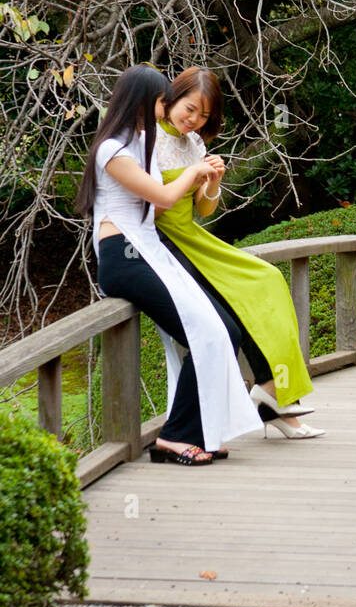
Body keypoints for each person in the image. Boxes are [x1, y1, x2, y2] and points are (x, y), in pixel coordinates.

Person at [76, 65, 261, 464]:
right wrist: (194, 170)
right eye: (162, 101)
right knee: (201, 333)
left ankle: (200, 430)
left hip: (150, 252)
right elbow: (160, 198)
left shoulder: (143, 142)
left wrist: (206, 177)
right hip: (123, 257)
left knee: (225, 331)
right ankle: (174, 437)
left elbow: (186, 199)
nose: (166, 110)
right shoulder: (112, 149)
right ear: (140, 101)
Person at [154, 68, 323, 439]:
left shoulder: (194, 143)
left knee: (268, 279)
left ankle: (277, 390)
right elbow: (150, 207)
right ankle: (269, 396)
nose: (193, 120)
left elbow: (204, 210)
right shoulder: (148, 141)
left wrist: (212, 182)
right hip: (163, 241)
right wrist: (191, 174)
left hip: (192, 235)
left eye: (203, 115)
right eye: (189, 108)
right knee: (234, 302)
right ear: (172, 97)